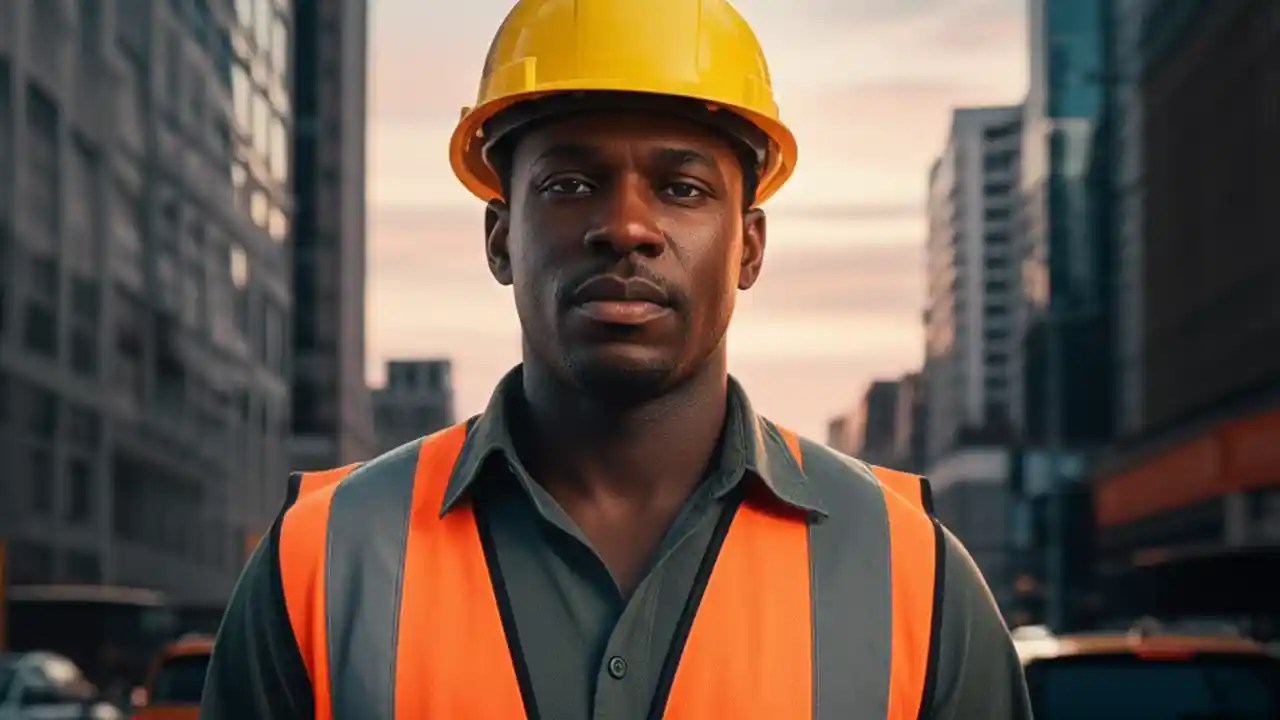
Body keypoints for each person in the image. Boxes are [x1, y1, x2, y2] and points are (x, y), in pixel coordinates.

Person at [200, 1, 1032, 718]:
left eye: (681, 188)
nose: (626, 226)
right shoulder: (320, 563)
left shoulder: (914, 578)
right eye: (569, 184)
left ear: (748, 247)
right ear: (500, 239)